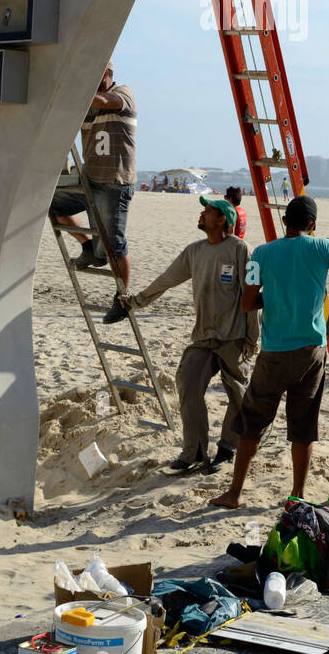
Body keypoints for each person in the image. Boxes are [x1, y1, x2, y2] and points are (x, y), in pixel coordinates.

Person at [210, 195, 329, 509]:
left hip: (274, 354)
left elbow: (247, 303)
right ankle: (297, 494)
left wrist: (276, 296)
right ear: (312, 225)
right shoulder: (324, 248)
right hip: (311, 353)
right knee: (303, 425)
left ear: (284, 222)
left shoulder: (262, 253)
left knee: (252, 422)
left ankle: (235, 493)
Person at [108, 196, 258, 472]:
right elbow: (167, 279)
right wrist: (136, 301)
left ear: (222, 219)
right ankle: (195, 451)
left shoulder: (241, 250)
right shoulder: (194, 251)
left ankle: (227, 449)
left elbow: (251, 296)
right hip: (203, 337)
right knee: (188, 383)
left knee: (238, 394)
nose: (202, 214)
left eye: (208, 211)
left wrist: (252, 337)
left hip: (234, 338)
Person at [49, 61, 136, 289]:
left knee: (113, 246)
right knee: (50, 205)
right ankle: (87, 246)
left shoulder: (122, 93)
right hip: (89, 181)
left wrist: (73, 90)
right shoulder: (86, 103)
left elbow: (106, 102)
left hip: (113, 184)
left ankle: (122, 297)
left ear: (106, 74)